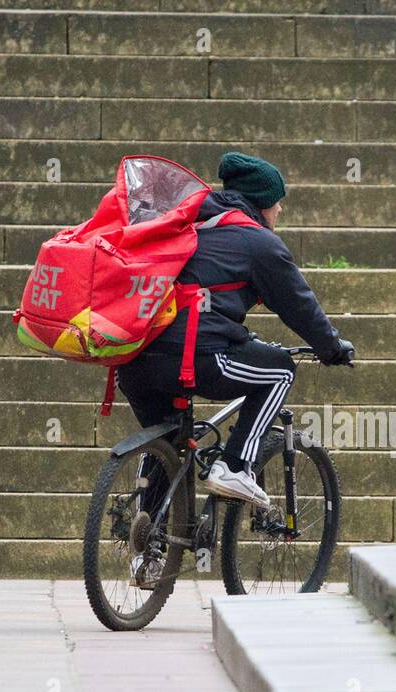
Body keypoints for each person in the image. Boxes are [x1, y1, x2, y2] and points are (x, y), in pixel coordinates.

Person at [116, 151, 355, 507]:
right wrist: (332, 348)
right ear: (262, 204)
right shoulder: (258, 243)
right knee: (279, 372)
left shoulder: (182, 224)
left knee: (166, 440)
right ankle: (235, 467)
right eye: (277, 204)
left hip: (132, 360)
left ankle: (148, 546)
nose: (279, 212)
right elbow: (299, 306)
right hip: (195, 357)